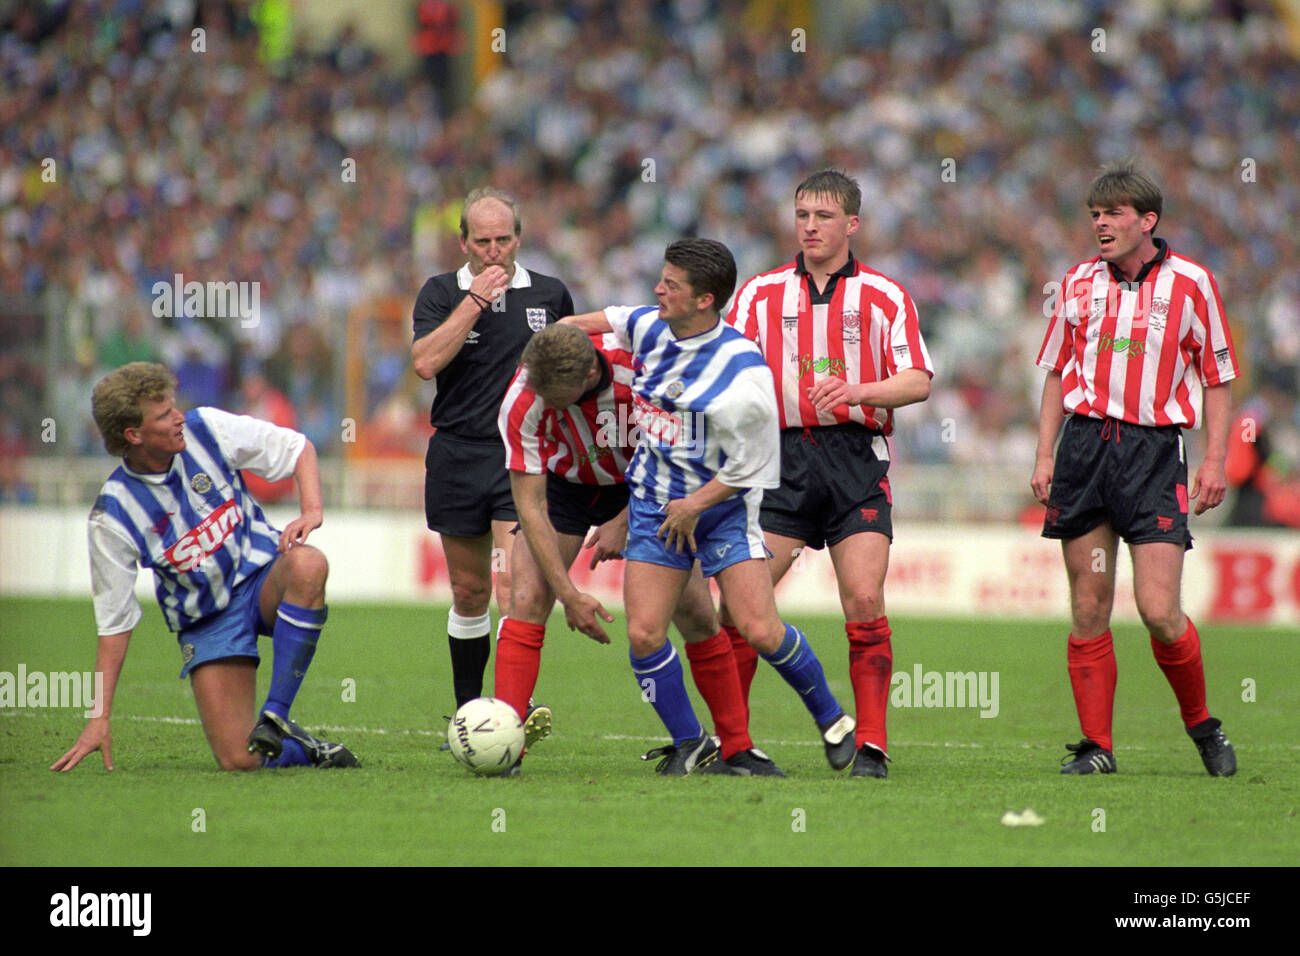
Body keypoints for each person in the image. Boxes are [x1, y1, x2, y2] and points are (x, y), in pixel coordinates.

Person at [565, 238, 857, 775]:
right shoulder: (651, 324)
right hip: (655, 508)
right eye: (661, 278)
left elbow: (757, 466)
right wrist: (551, 336)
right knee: (644, 633)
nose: (658, 290)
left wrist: (696, 504)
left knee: (759, 629)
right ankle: (692, 743)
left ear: (704, 300)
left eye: (671, 285)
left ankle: (833, 718)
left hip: (721, 510)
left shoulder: (743, 371)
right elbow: (603, 319)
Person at [497, 322, 782, 775]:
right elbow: (529, 506)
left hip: (654, 491)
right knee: (526, 598)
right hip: (565, 489)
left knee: (696, 615)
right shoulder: (524, 396)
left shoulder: (645, 370)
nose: (544, 404)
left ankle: (734, 746)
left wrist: (626, 519)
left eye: (557, 397)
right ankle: (505, 745)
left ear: (590, 375)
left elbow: (692, 454)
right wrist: (569, 595)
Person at [724, 169, 933, 779]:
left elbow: (918, 380)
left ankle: (871, 744)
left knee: (864, 598)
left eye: (823, 216)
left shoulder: (886, 296)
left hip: (853, 460)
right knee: (742, 607)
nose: (810, 226)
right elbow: (724, 364)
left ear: (852, 224)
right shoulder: (760, 293)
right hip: (779, 463)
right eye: (803, 216)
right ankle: (731, 742)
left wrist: (857, 391)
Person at [1031, 160, 1238, 776]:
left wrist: (1215, 458)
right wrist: (1044, 452)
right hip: (1086, 450)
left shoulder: (1191, 284)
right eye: (1095, 213)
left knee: (1157, 609)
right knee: (1089, 605)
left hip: (1152, 455)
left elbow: (1218, 378)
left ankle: (1203, 726)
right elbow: (1055, 373)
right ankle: (1097, 748)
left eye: (1114, 213)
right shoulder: (1075, 283)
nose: (1101, 223)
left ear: (1147, 220)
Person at [52, 362, 357, 772]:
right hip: (207, 621)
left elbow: (297, 447)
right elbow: (114, 623)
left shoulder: (207, 427)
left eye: (174, 406)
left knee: (308, 564)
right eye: (163, 415)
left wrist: (311, 511)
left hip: (262, 578)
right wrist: (99, 717)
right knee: (239, 760)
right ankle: (307, 749)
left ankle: (275, 714)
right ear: (134, 435)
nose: (178, 417)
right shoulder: (113, 516)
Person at [412, 187, 575, 724]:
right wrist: (476, 300)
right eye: (481, 241)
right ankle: (467, 718)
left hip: (522, 456)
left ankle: (509, 711)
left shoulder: (550, 294)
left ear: (519, 239)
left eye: (503, 239)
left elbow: (570, 370)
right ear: (463, 242)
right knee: (469, 589)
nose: (493, 251)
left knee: (516, 589)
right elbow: (426, 363)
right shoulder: (439, 293)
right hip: (457, 454)